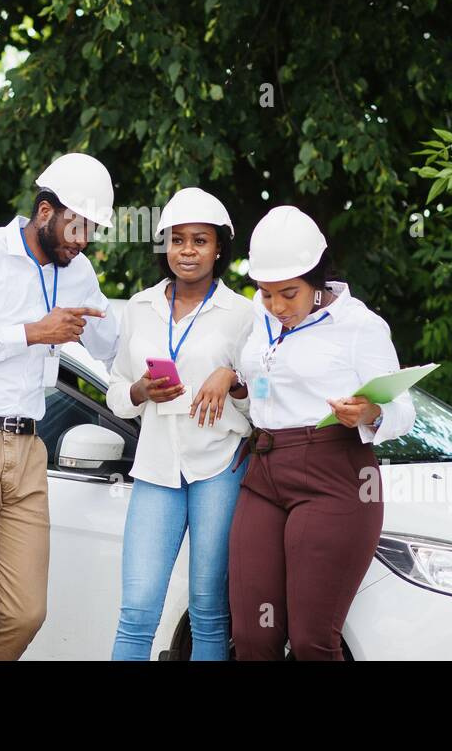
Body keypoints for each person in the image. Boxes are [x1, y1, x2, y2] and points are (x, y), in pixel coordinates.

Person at [0, 152, 120, 660]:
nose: (83, 241)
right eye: (77, 227)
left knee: (26, 610)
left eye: (92, 231)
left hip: (28, 446)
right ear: (47, 211)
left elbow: (110, 345)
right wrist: (31, 334)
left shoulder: (79, 272)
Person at [227, 205, 416, 660]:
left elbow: (403, 411)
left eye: (288, 293)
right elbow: (254, 381)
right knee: (254, 636)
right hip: (263, 473)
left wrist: (368, 412)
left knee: (313, 640)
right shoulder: (263, 314)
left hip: (333, 477)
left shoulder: (359, 327)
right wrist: (229, 379)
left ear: (317, 279)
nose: (276, 305)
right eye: (266, 293)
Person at [105, 188, 254, 660]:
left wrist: (233, 378)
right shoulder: (139, 307)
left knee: (209, 610)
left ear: (219, 249)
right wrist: (140, 391)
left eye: (200, 241)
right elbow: (116, 392)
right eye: (177, 240)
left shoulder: (244, 314)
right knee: (137, 611)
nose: (187, 251)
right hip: (157, 469)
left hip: (219, 469)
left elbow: (265, 403)